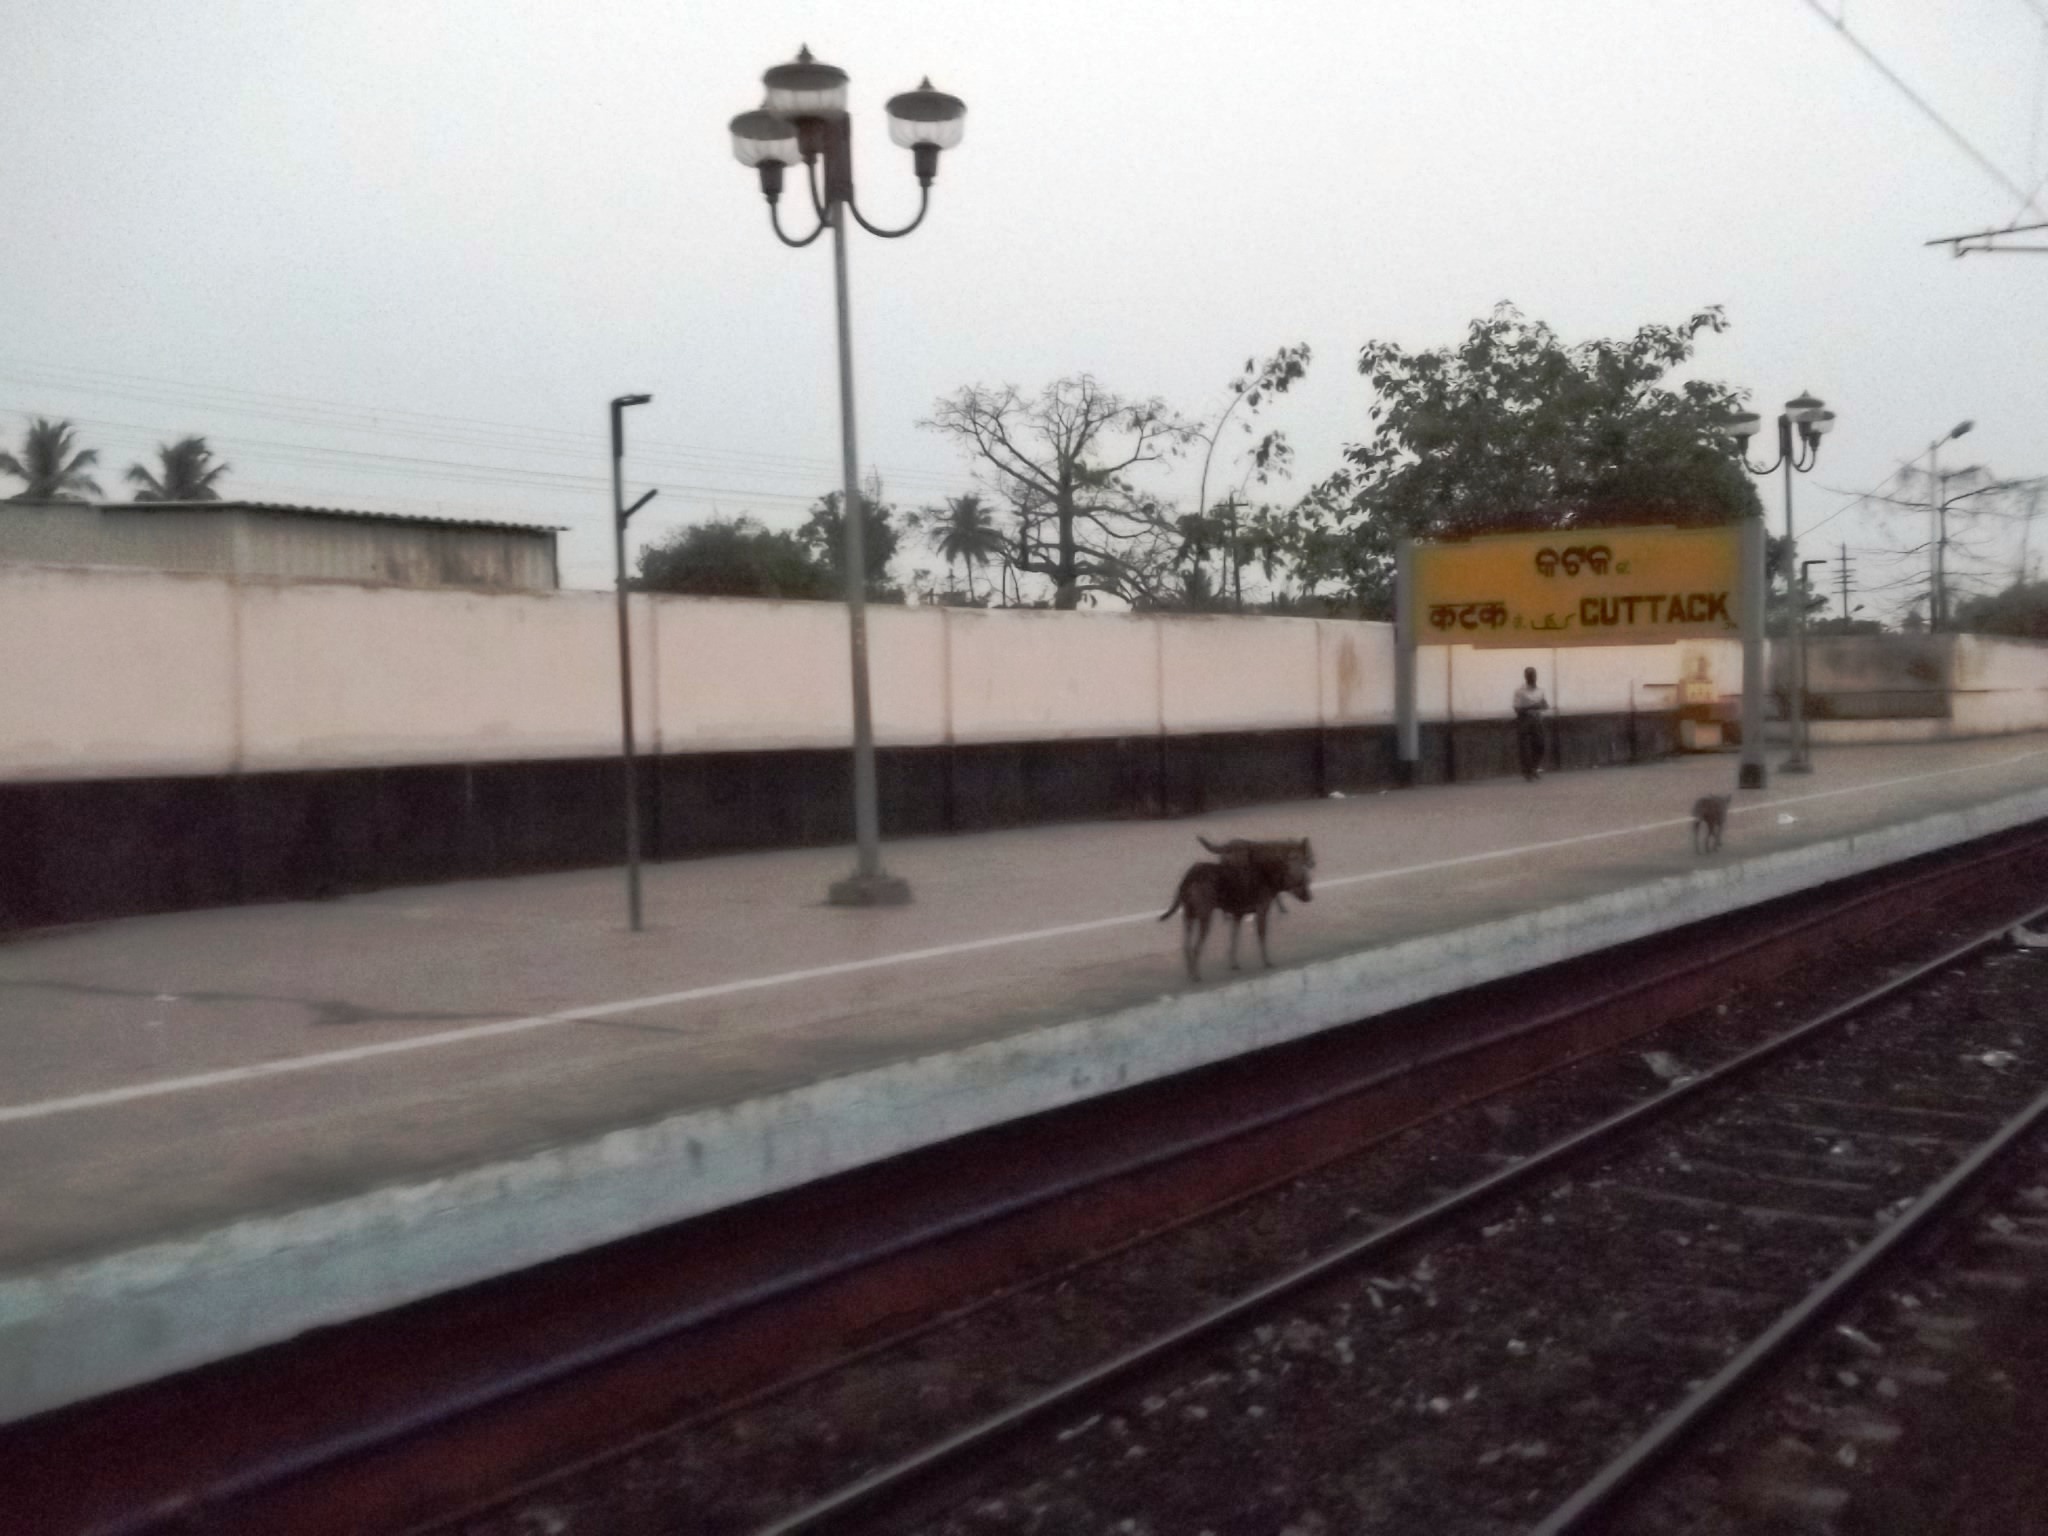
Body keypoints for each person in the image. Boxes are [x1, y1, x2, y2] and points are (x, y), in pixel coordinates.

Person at [1513, 666, 1549, 781]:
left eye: (1534, 675)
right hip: (1524, 719)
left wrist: (1543, 706)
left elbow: (1545, 705)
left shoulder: (1540, 690)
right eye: (1529, 675)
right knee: (1524, 747)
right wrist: (1533, 706)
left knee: (1540, 745)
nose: (1532, 677)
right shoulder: (1519, 691)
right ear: (1525, 677)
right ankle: (1527, 772)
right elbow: (1517, 709)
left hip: (1537, 718)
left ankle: (1533, 768)